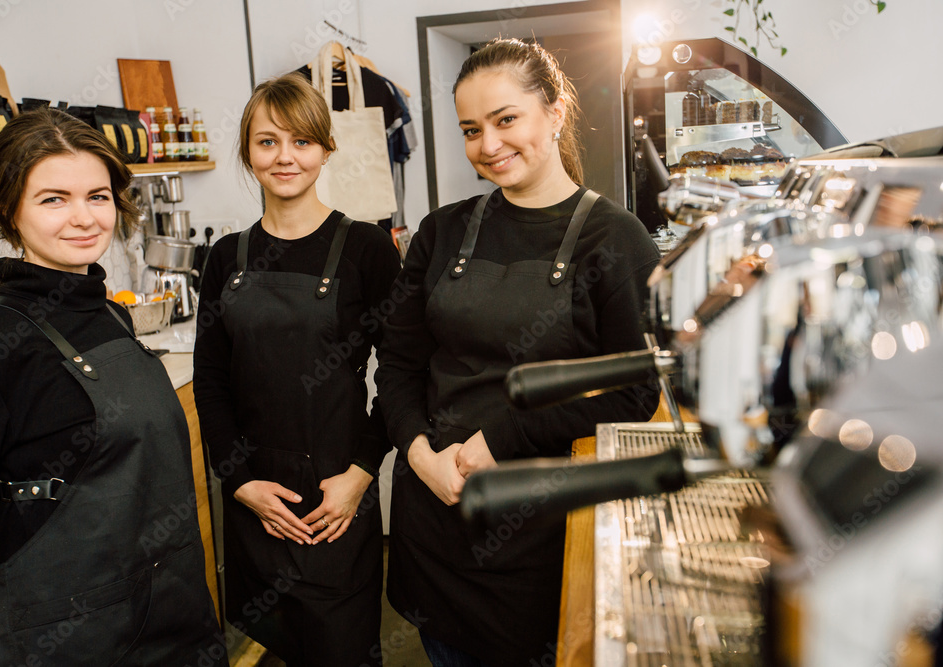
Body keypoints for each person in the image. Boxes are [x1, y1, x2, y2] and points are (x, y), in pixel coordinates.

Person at [376, 38, 661, 666]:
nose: (489, 145)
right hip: (437, 527)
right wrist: (420, 455)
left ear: (555, 112)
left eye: (506, 120)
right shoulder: (441, 231)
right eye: (471, 130)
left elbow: (635, 392)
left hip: (542, 537)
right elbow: (397, 366)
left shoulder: (616, 238)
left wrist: (498, 440)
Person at [0, 107, 226, 666]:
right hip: (70, 644)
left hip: (177, 622)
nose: (83, 217)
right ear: (8, 207)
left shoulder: (112, 314)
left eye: (97, 197)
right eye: (54, 198)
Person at [193, 73, 400, 666]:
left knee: (344, 650)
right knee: (283, 644)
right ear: (247, 152)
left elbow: (404, 373)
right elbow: (210, 380)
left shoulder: (365, 248)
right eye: (267, 142)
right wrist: (240, 481)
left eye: (302, 142)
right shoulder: (225, 257)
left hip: (335, 495)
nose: (285, 157)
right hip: (257, 498)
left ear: (326, 150)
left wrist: (361, 472)